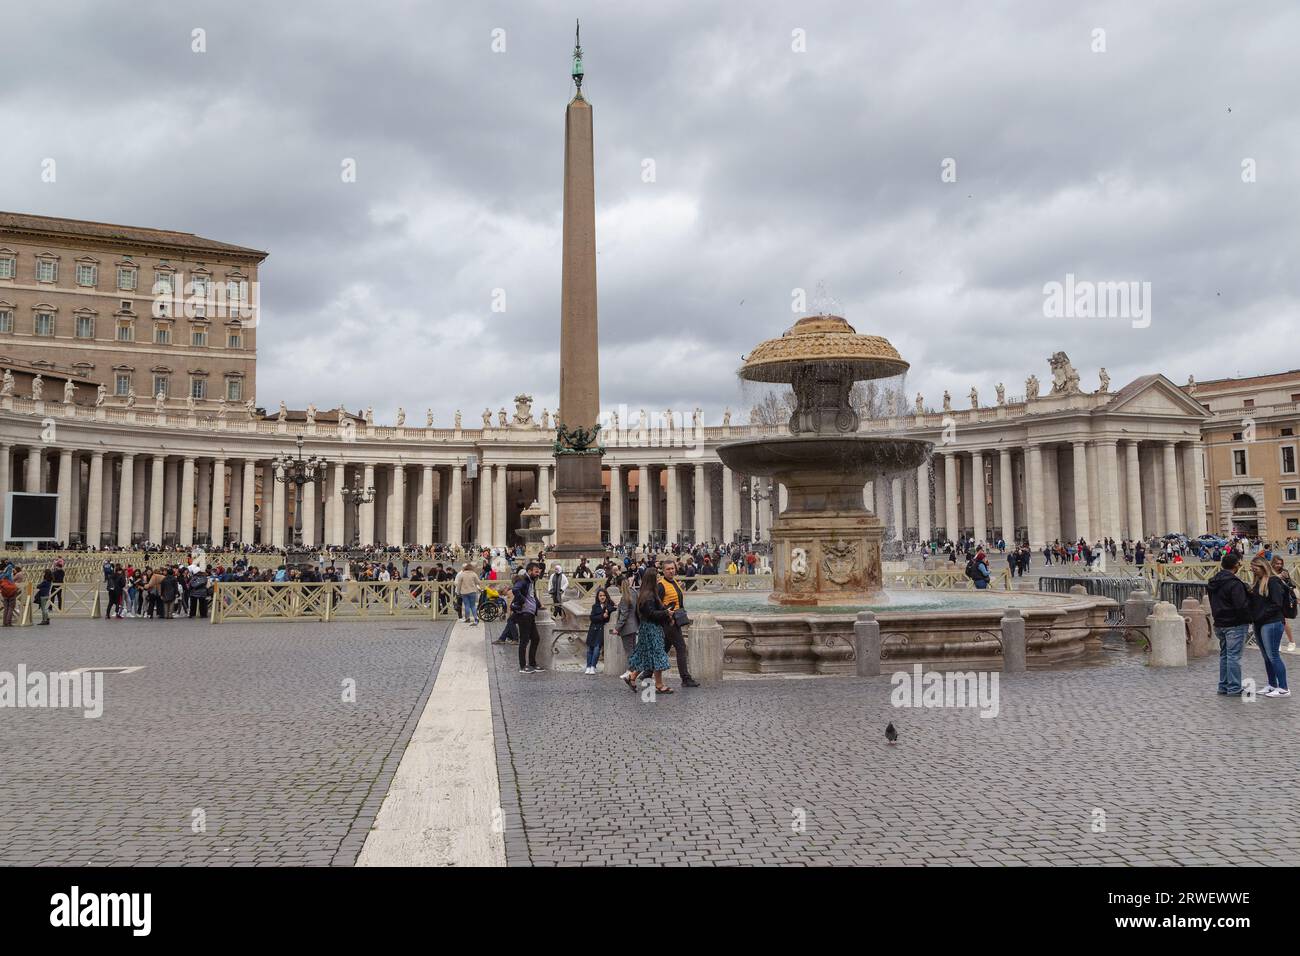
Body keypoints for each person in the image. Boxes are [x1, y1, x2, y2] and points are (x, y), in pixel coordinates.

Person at [1208, 552, 1252, 696]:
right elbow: (1241, 606)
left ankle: (1223, 686)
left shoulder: (1213, 581)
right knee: (1234, 656)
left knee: (1225, 655)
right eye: (1239, 563)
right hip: (1234, 623)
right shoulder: (1235, 584)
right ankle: (1234, 687)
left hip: (1219, 623)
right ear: (1235, 565)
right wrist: (1248, 618)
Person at [625, 567, 673, 694]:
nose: (659, 579)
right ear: (652, 579)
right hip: (651, 628)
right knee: (658, 655)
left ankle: (632, 677)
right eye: (657, 577)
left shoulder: (645, 593)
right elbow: (651, 613)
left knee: (645, 655)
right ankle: (659, 684)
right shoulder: (649, 595)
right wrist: (665, 613)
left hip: (646, 628)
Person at [1249, 555, 1290, 697]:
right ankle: (1272, 685)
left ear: (1263, 567)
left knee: (1273, 655)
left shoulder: (1273, 581)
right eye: (1252, 569)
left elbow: (1276, 604)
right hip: (1259, 623)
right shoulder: (1257, 582)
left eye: (1256, 568)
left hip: (1272, 622)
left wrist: (1260, 615)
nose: (1254, 571)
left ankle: (1284, 688)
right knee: (1266, 656)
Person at [657, 560, 700, 687]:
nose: (671, 571)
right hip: (669, 622)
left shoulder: (674, 581)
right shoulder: (661, 585)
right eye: (668, 569)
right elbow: (658, 604)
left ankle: (644, 673)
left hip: (675, 620)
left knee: (663, 650)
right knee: (681, 648)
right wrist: (667, 613)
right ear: (663, 571)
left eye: (672, 568)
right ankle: (685, 678)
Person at [512, 562, 544, 673]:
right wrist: (523, 601)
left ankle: (532, 663)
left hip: (530, 614)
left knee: (535, 638)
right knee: (524, 640)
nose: (538, 573)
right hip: (524, 614)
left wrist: (539, 605)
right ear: (529, 571)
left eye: (538, 571)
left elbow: (532, 595)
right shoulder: (523, 580)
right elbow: (515, 590)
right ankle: (523, 666)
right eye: (536, 572)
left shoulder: (531, 582)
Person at [585, 587, 612, 675]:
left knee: (597, 649)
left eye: (604, 595)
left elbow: (614, 608)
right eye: (600, 595)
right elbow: (592, 618)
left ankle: (593, 666)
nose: (602, 597)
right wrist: (602, 616)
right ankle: (588, 666)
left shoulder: (608, 606)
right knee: (590, 649)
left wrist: (608, 611)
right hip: (593, 630)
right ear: (598, 597)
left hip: (601, 631)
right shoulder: (595, 606)